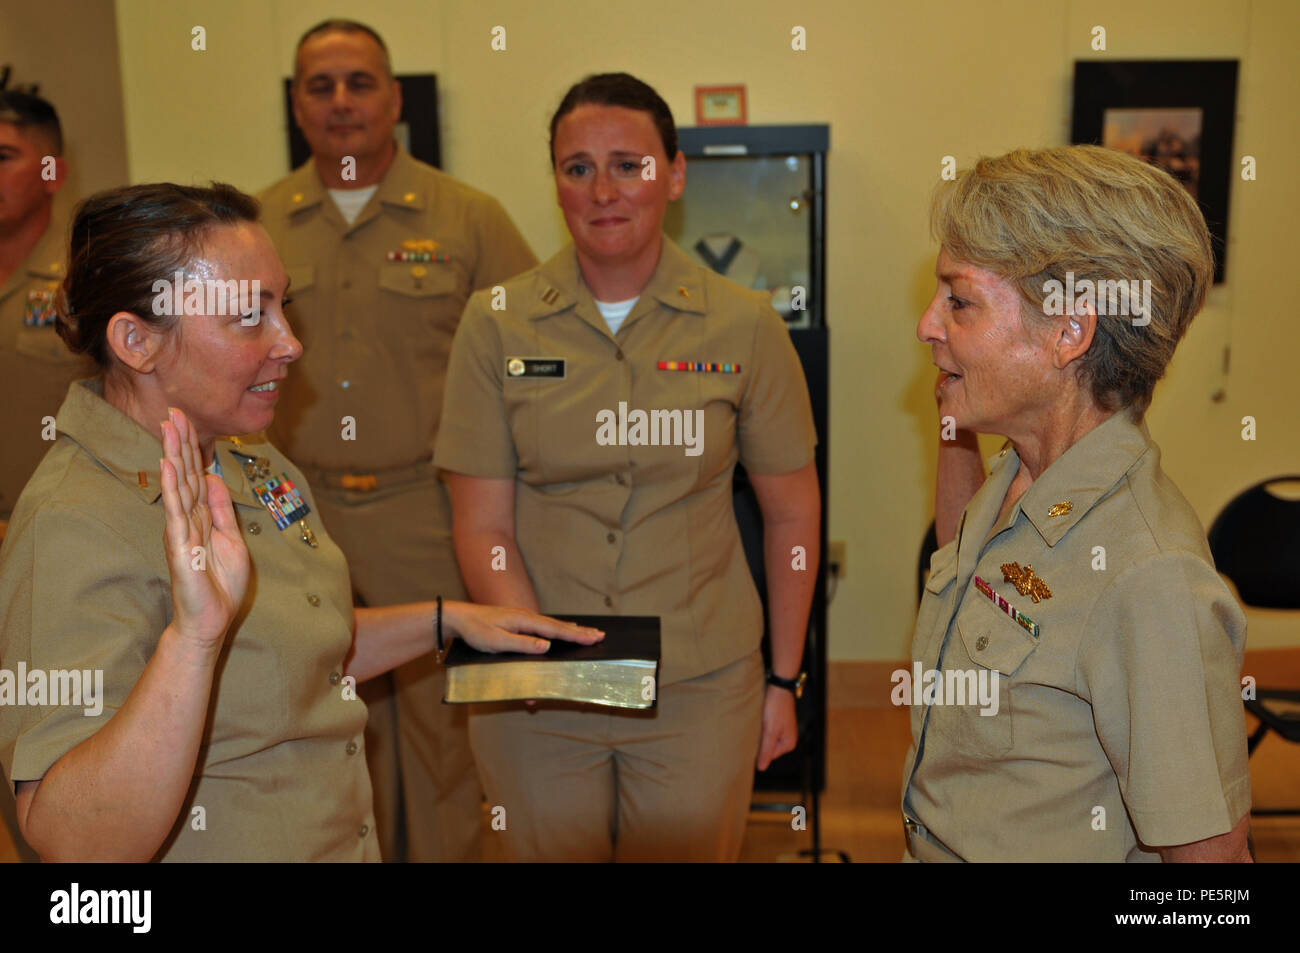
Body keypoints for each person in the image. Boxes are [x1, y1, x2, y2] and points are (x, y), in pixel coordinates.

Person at [0, 182, 602, 862]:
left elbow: (299, 647)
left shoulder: (247, 457)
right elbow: (73, 841)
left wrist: (445, 619)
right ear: (137, 340)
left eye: (282, 306)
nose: (290, 342)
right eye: (248, 317)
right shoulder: (73, 522)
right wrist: (193, 638)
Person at [435, 73, 821, 861]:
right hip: (537, 690)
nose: (603, 190)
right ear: (555, 183)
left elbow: (792, 514)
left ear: (674, 175)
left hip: (697, 683)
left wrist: (784, 680)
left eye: (629, 165)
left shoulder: (745, 325)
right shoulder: (496, 323)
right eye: (578, 168)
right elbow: (482, 521)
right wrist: (540, 656)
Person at [903, 145, 1252, 862]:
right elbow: (970, 565)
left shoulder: (1149, 576)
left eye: (959, 300)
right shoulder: (1020, 467)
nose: (927, 324)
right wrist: (956, 403)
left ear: (1069, 332)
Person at [257, 19, 537, 863]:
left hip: (429, 508)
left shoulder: (469, 218)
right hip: (292, 514)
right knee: (323, 720)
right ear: (298, 106)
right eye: (320, 85)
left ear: (395, 99)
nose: (341, 102)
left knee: (447, 730)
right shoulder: (255, 222)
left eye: (359, 82)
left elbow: (527, 366)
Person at [0, 90, 90, 863]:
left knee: (55, 766)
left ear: (53, 168)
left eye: (3, 155)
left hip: (63, 559)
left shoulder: (90, 282)